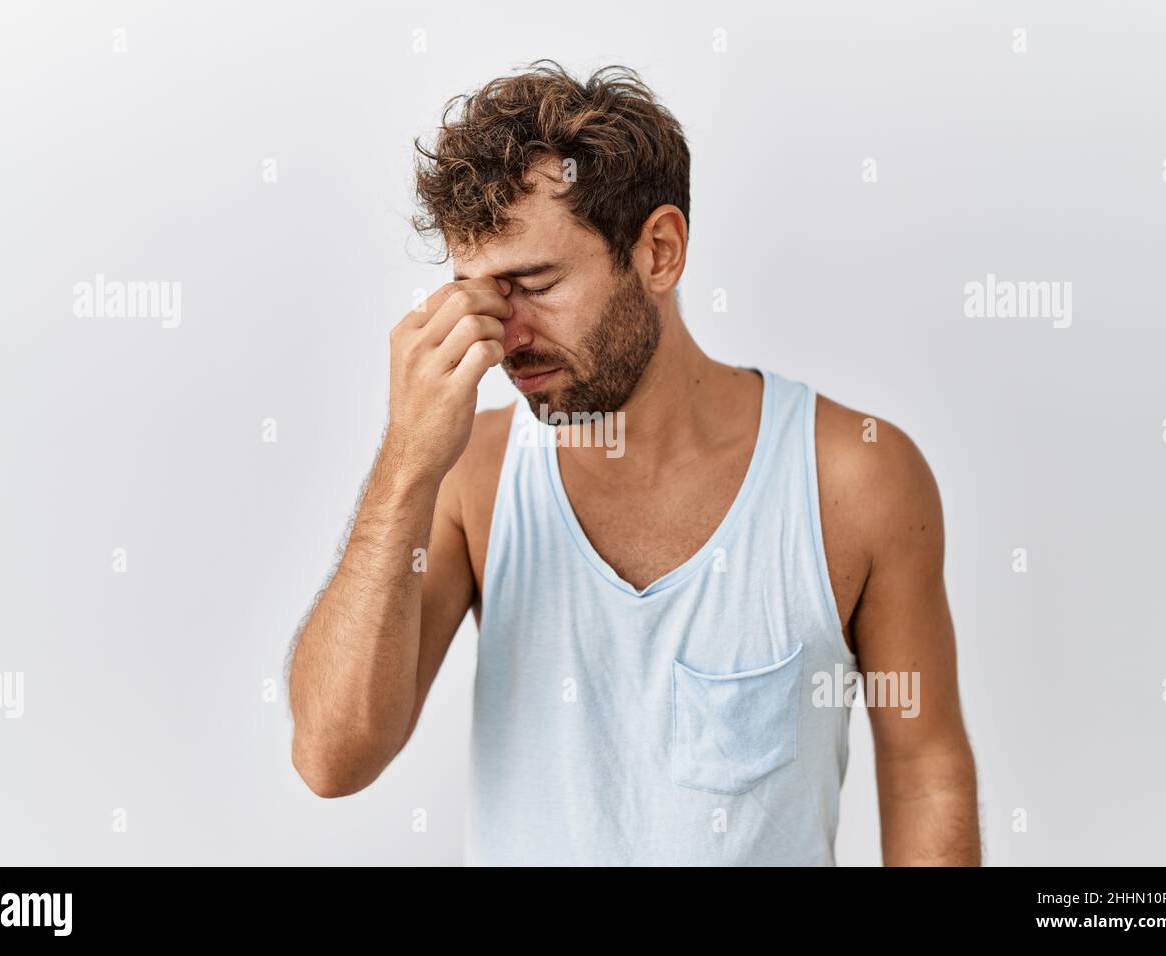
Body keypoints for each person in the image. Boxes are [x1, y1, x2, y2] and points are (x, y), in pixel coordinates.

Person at [287, 61, 980, 866]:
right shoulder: (468, 478)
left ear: (659, 251)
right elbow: (330, 759)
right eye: (476, 296)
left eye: (533, 285)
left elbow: (926, 769)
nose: (502, 340)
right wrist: (406, 464)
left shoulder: (854, 478)